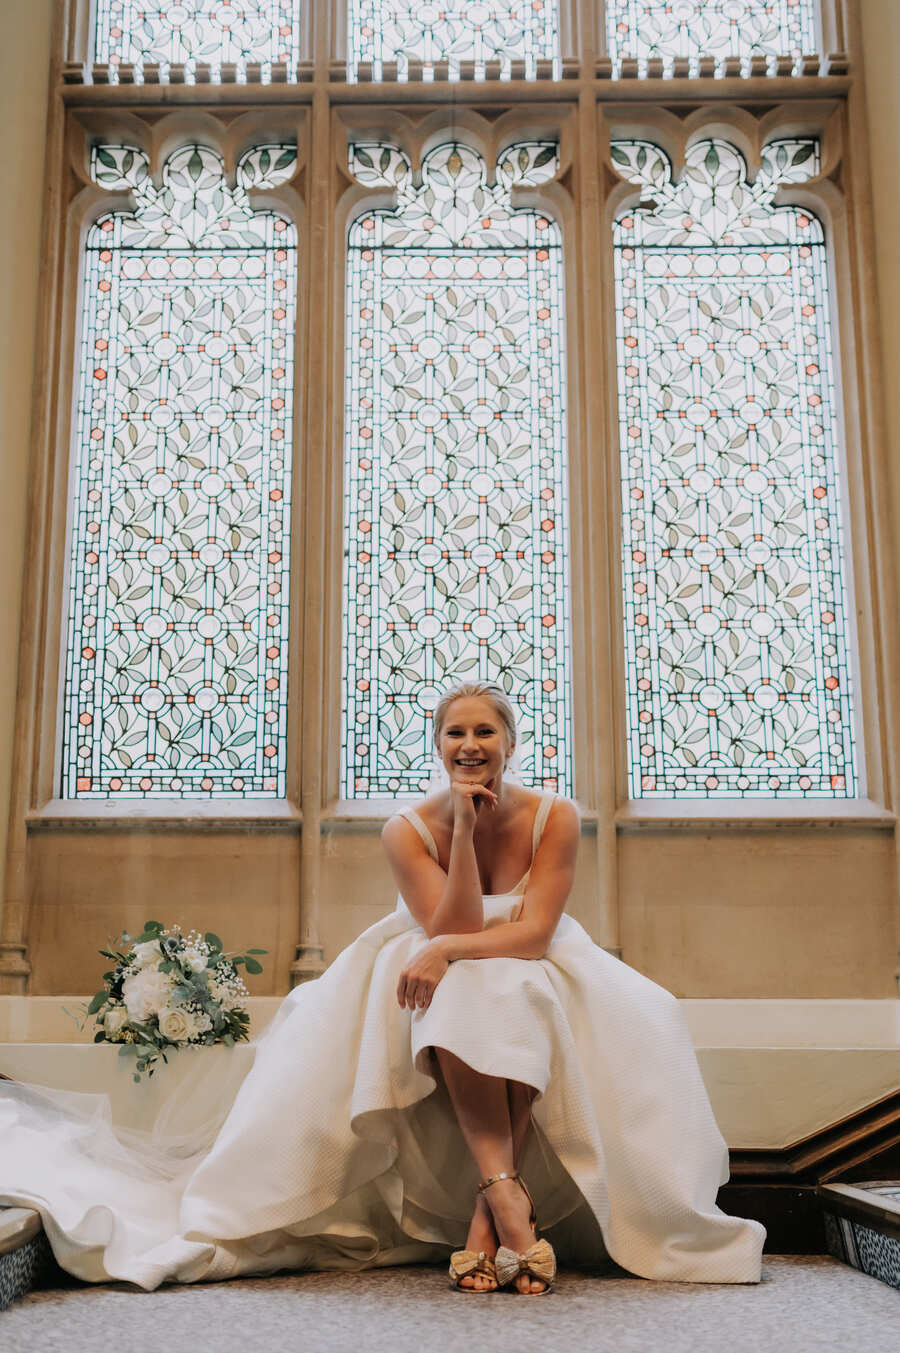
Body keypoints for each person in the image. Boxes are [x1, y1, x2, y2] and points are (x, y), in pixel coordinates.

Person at [0, 680, 766, 1294]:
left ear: (510, 741)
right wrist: (463, 834)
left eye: (484, 731)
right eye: (455, 733)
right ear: (437, 745)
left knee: (527, 994)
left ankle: (491, 1207)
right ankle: (507, 1200)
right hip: (434, 955)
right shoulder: (406, 828)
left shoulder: (554, 816)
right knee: (471, 994)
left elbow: (531, 935)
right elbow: (448, 924)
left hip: (532, 958)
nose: (470, 745)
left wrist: (450, 952)